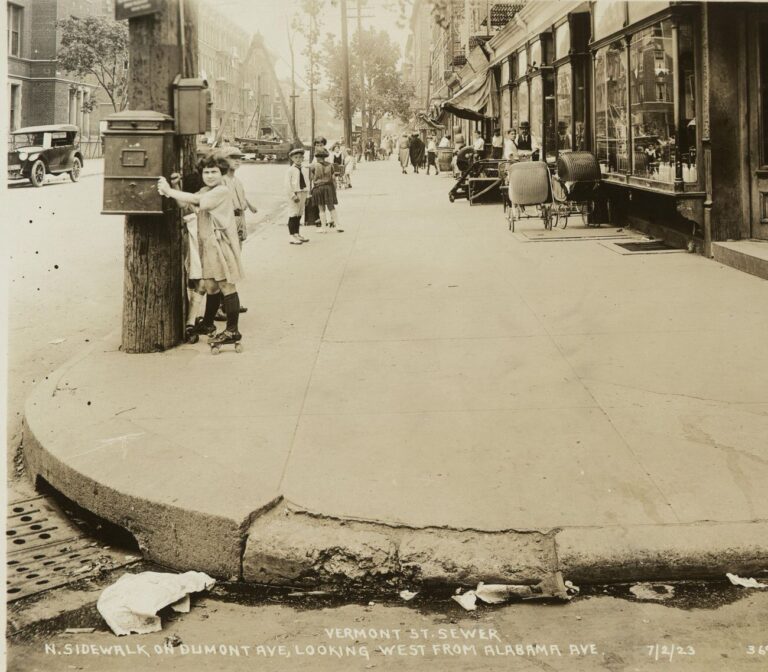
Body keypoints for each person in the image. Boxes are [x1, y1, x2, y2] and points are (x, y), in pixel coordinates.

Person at [157, 154, 245, 348]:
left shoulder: (221, 190)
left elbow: (196, 199)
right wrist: (177, 187)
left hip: (219, 244)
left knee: (226, 286)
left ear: (222, 174)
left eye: (214, 172)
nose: (210, 175)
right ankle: (207, 324)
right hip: (208, 244)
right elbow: (185, 204)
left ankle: (232, 330)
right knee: (211, 286)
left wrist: (168, 190)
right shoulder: (206, 190)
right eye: (206, 172)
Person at [310, 147, 343, 232]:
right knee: (331, 207)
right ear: (325, 157)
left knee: (321, 208)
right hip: (328, 187)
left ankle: (323, 227)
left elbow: (311, 178)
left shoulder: (314, 165)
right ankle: (338, 225)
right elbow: (333, 178)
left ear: (317, 157)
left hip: (319, 188)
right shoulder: (330, 165)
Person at [285, 147, 311, 245]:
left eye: (300, 157)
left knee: (299, 214)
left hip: (303, 192)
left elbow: (307, 182)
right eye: (296, 157)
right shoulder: (290, 170)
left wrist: (308, 195)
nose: (298, 159)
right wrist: (292, 196)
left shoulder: (304, 169)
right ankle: (291, 235)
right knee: (293, 214)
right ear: (292, 158)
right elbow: (287, 185)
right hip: (295, 194)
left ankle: (297, 233)